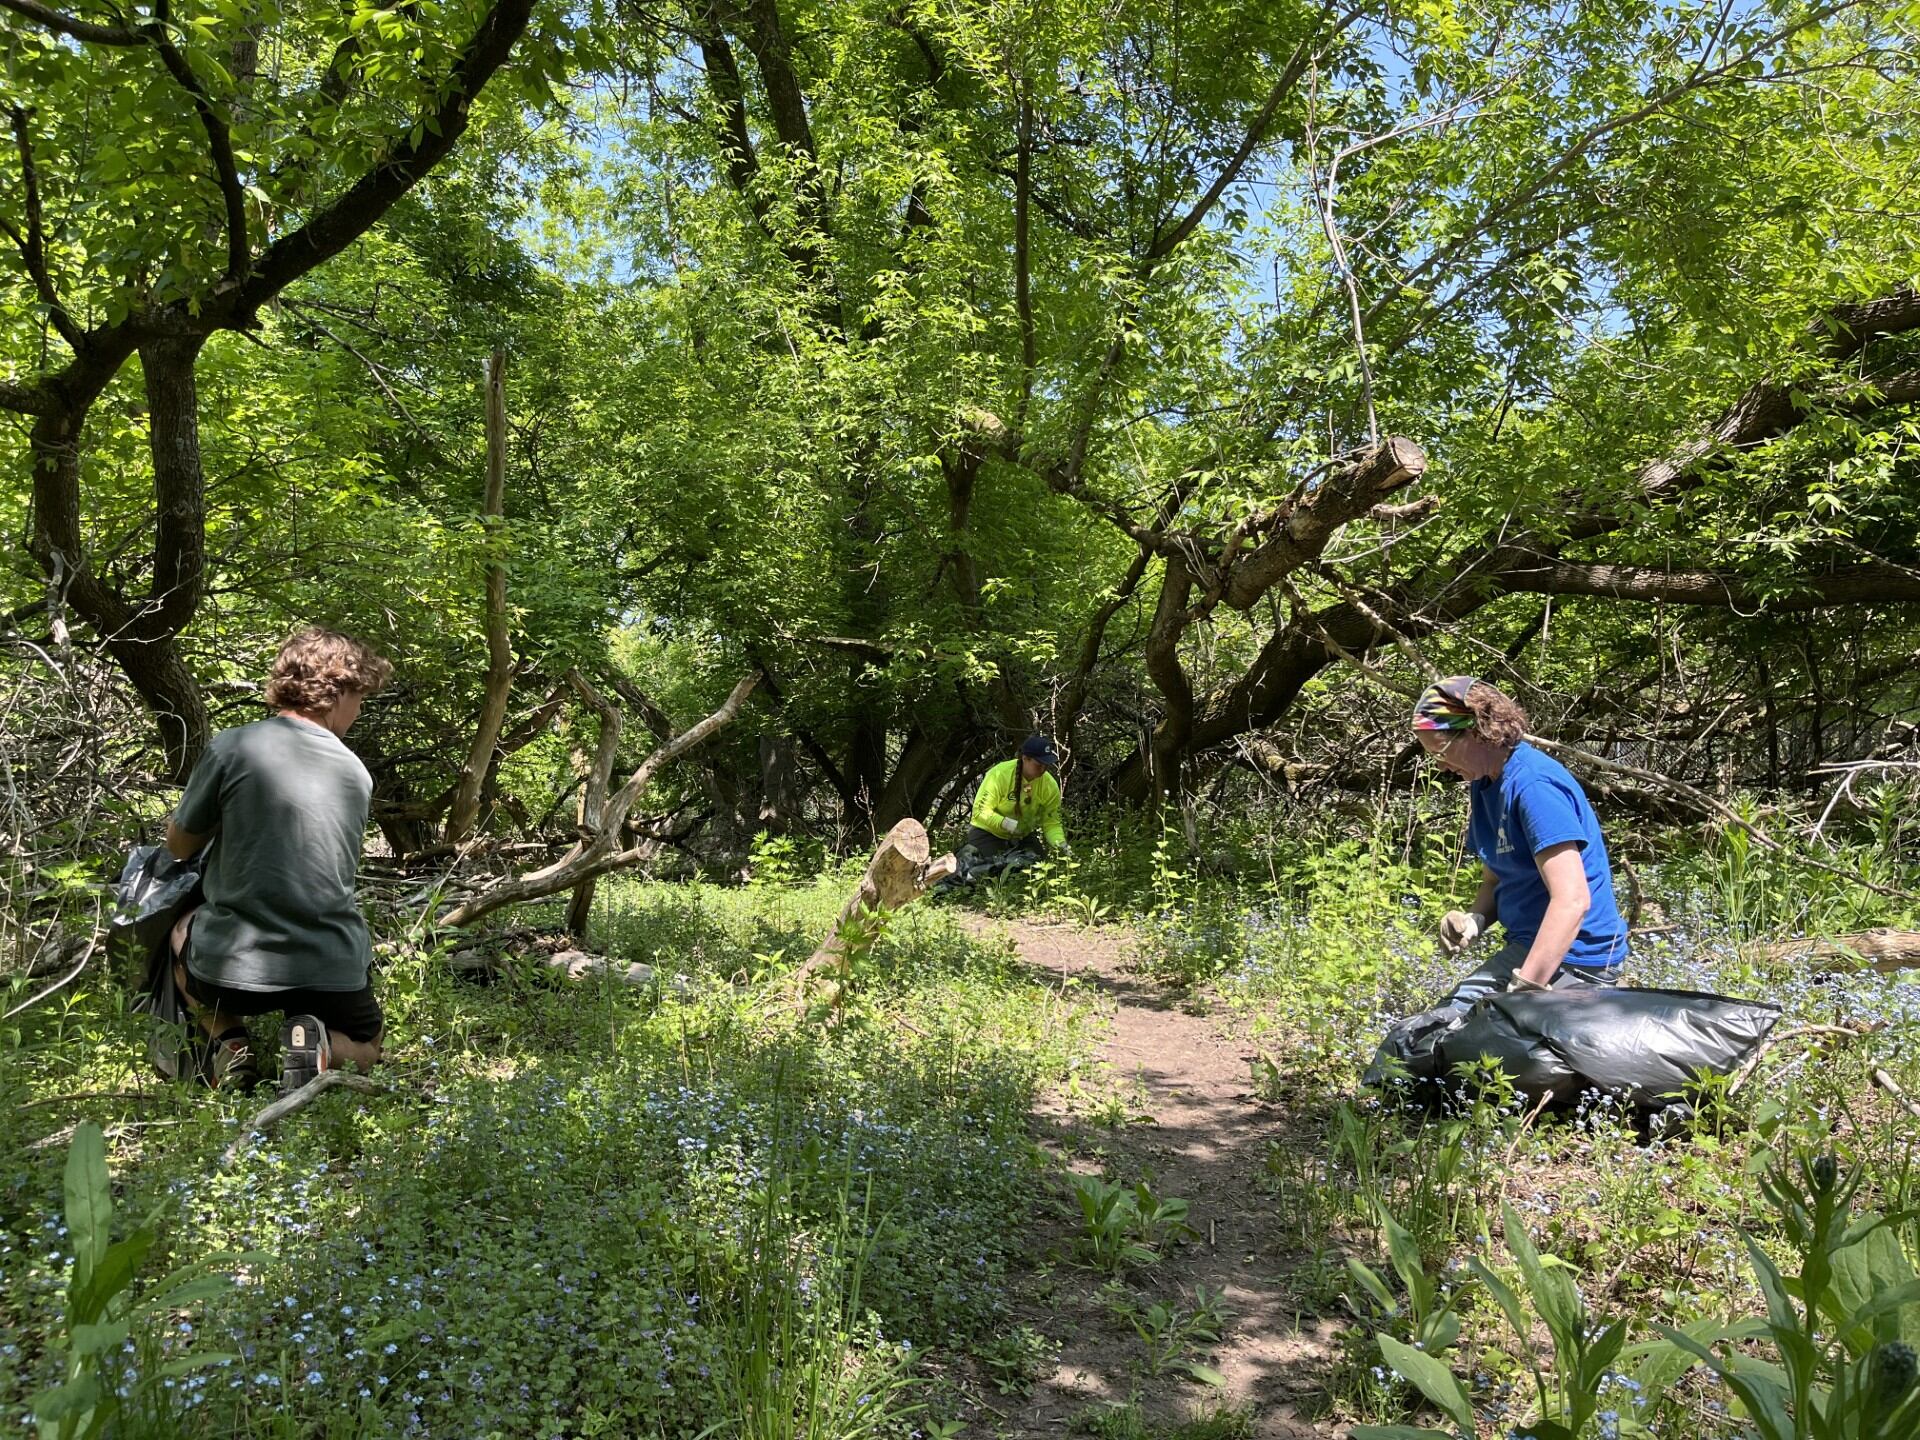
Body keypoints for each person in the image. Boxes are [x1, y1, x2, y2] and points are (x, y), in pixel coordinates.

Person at [163, 627, 392, 1091]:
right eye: (359, 697)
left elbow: (179, 846)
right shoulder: (355, 771)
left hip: (233, 967)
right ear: (335, 691)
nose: (359, 710)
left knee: (178, 932)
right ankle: (322, 1045)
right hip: (330, 965)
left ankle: (232, 1046)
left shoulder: (233, 746)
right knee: (370, 1045)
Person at [1412, 675, 1627, 1011]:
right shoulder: (1485, 783)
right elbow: (1495, 878)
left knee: (1448, 1039)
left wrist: (1526, 989)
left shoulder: (1534, 786)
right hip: (1529, 947)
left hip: (1577, 959)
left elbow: (1572, 900)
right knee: (1434, 1038)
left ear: (1475, 732)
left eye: (1441, 750)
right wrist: (1475, 920)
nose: (1440, 765)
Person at [951, 734, 1068, 883]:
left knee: (1039, 869)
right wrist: (1006, 824)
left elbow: (1051, 823)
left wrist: (1061, 845)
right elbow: (980, 812)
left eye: (1047, 764)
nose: (1043, 769)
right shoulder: (1000, 774)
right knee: (997, 872)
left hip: (1021, 836)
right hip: (988, 832)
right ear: (1025, 759)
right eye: (1039, 764)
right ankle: (963, 866)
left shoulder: (1049, 786)